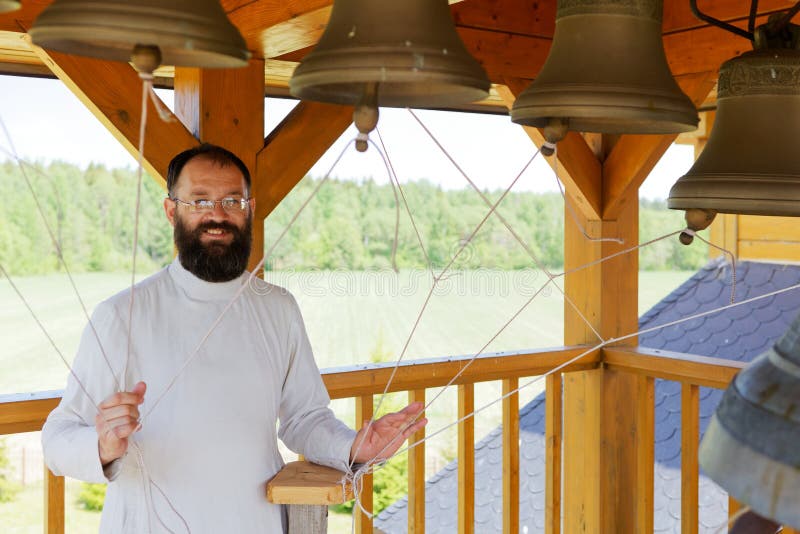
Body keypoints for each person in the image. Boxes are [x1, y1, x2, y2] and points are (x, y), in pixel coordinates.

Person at [41, 143, 426, 533]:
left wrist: (354, 447)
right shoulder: (120, 315)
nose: (217, 215)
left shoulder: (278, 308)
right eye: (200, 201)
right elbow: (57, 439)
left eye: (232, 200)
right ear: (171, 211)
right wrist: (103, 446)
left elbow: (304, 419)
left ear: (250, 209)